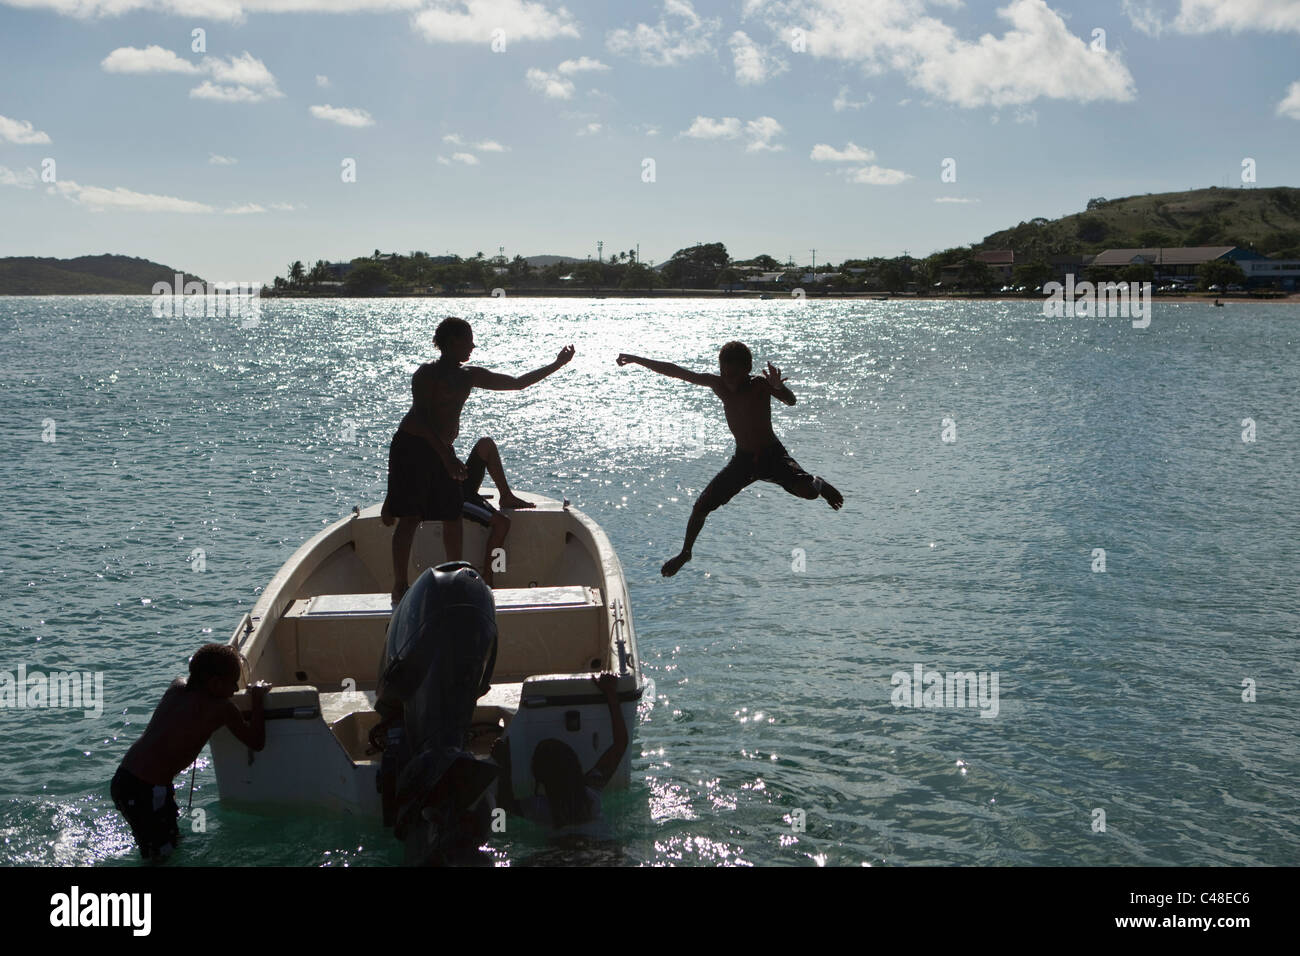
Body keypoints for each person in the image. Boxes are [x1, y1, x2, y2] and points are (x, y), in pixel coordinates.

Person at [381, 317, 574, 601]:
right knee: (409, 519)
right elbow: (418, 421)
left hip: (442, 452)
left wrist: (557, 365)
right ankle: (399, 585)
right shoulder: (426, 374)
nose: (473, 345)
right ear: (450, 342)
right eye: (467, 340)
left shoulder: (468, 376)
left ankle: (454, 578)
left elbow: (516, 383)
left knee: (452, 515)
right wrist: (446, 458)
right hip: (413, 448)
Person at [617, 341, 843, 577]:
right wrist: (636, 359)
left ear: (747, 370)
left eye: (734, 374)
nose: (729, 379)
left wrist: (779, 388)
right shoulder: (718, 384)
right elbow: (676, 371)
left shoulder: (759, 385)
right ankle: (686, 553)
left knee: (810, 492)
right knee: (700, 508)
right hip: (743, 461)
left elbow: (791, 401)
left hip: (772, 456)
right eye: (724, 372)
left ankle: (819, 481)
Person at [111, 644, 270, 861]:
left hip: (127, 779)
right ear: (214, 683)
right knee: (160, 856)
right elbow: (256, 742)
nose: (235, 689)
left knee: (167, 841)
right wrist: (258, 699)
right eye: (232, 682)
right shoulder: (222, 709)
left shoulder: (176, 687)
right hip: (146, 790)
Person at [492, 673, 627, 832]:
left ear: (538, 775)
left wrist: (503, 764)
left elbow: (502, 807)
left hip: (561, 854)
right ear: (576, 766)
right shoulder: (591, 794)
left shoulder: (538, 807)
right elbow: (620, 743)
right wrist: (610, 693)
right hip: (605, 850)